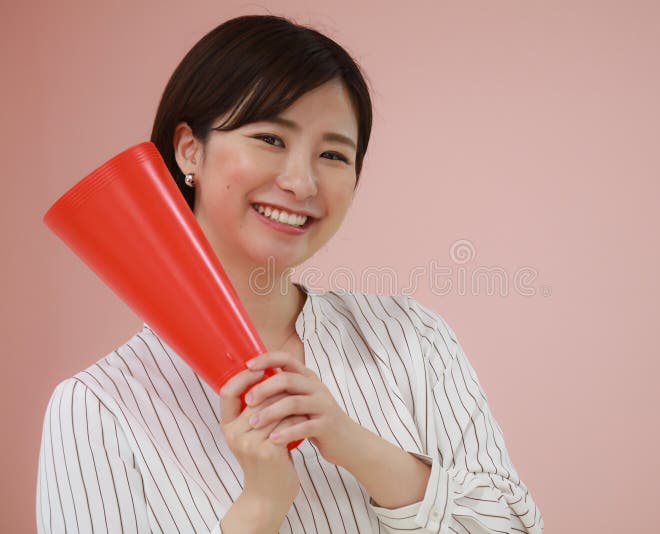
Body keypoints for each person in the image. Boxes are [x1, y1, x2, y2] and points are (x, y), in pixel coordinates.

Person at [35, 14, 544, 534]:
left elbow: (514, 525)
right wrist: (261, 503)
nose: (301, 182)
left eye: (333, 154)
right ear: (190, 149)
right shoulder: (98, 407)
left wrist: (356, 445)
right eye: (270, 139)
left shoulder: (411, 338)